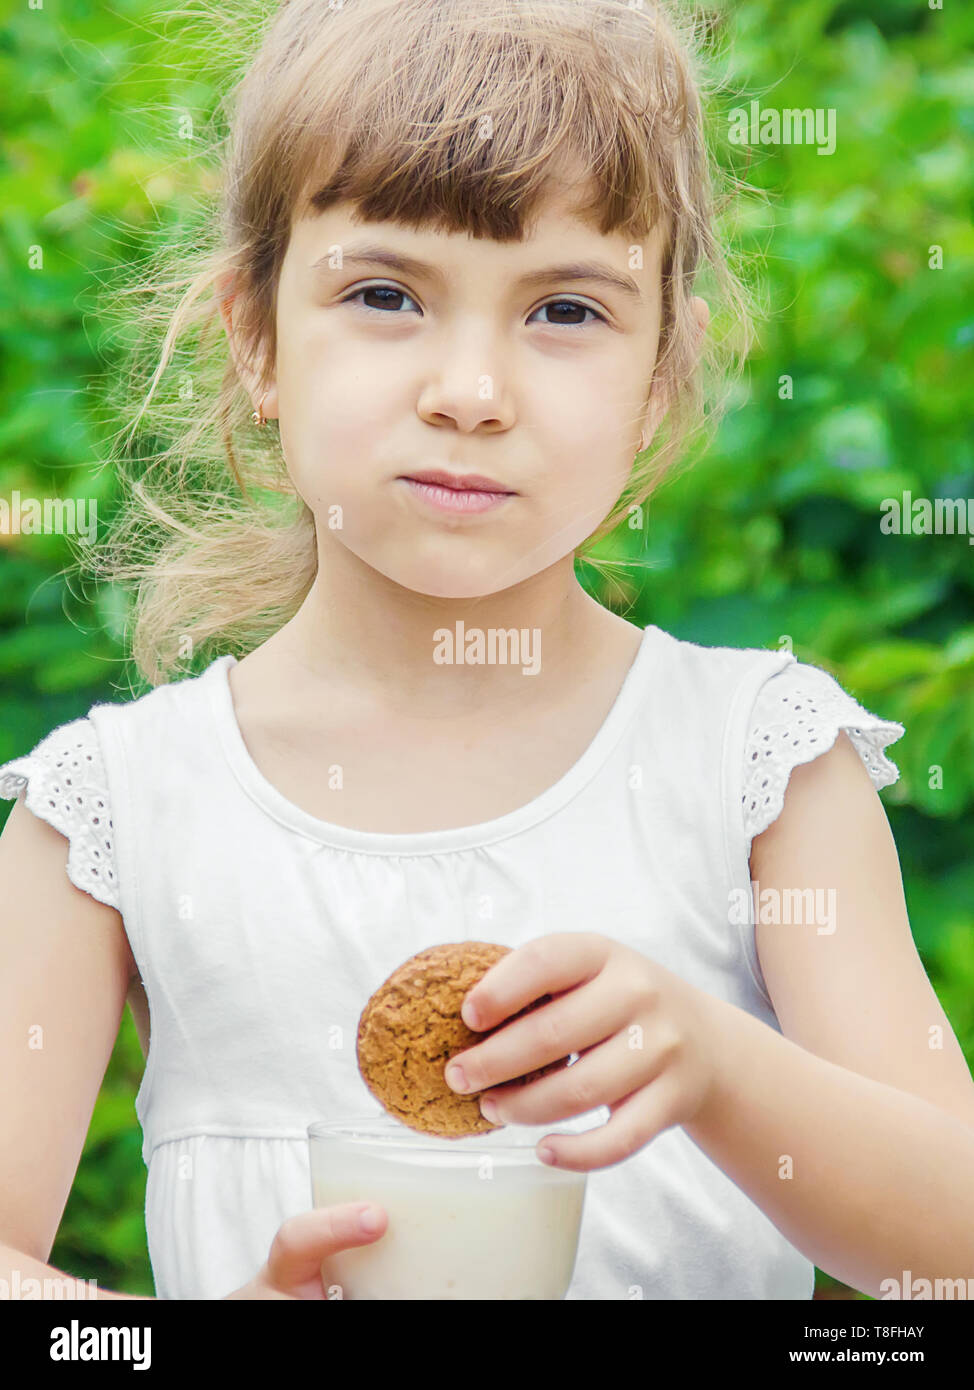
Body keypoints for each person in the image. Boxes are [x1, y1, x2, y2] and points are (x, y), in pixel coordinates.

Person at [3, 0, 971, 1303]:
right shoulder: (118, 803)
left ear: (661, 380)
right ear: (254, 335)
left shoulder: (755, 760)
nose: (470, 390)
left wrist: (720, 1067)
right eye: (385, 293)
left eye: (565, 310)